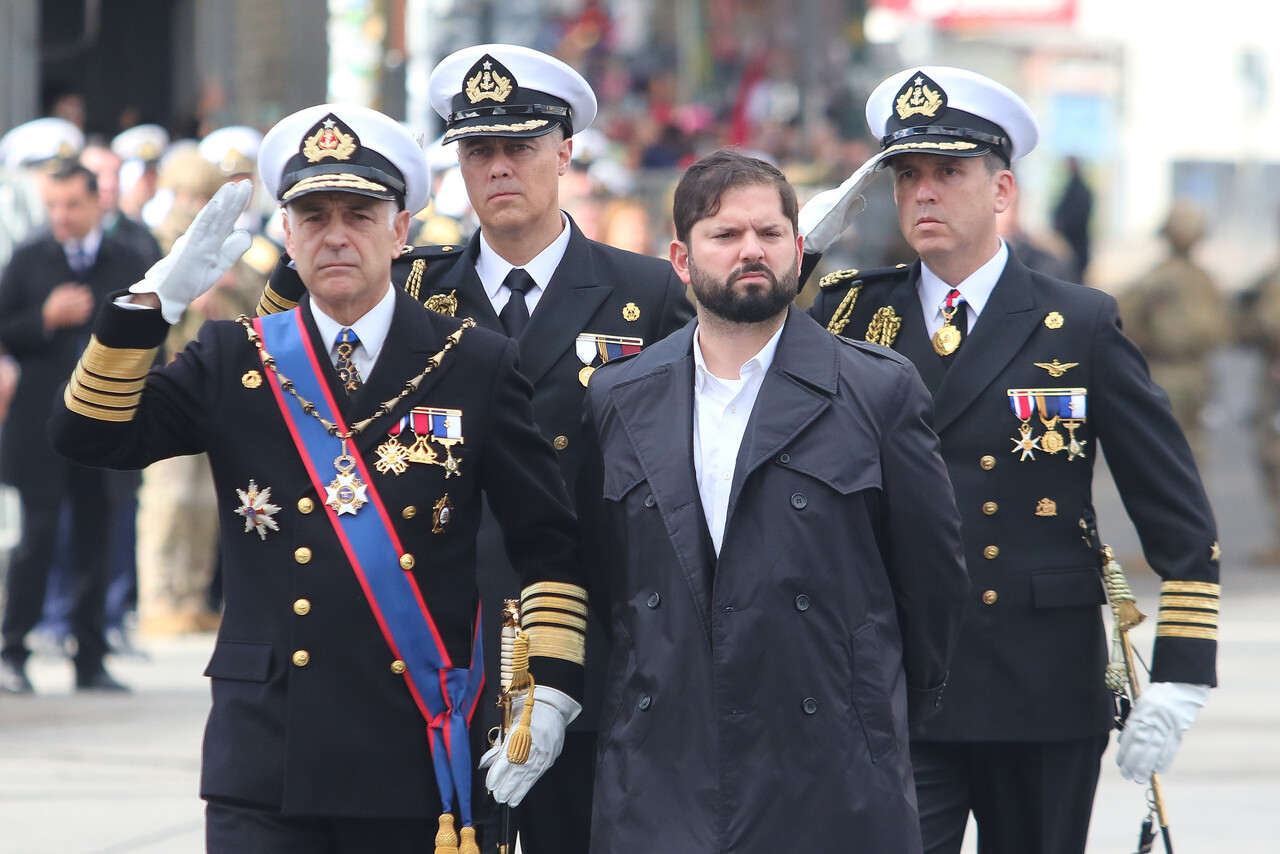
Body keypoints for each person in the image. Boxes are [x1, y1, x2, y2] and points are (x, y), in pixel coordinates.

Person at [49, 103, 587, 853]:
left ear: (401, 231)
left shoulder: (474, 362)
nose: (337, 235)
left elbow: (547, 544)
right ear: (288, 238)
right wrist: (151, 305)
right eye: (313, 214)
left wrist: (551, 689)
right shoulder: (232, 357)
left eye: (360, 214)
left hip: (416, 746)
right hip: (269, 749)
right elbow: (88, 436)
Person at [264, 44, 694, 854]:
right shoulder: (412, 291)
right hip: (435, 634)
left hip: (594, 630)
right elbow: (304, 385)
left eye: (518, 147)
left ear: (564, 153)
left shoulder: (648, 294)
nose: (497, 168)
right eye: (477, 150)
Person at [804, 67, 1220, 854]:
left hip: (1039, 684)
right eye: (907, 176)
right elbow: (734, 371)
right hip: (896, 682)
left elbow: (1176, 511)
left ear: (1001, 193)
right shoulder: (851, 312)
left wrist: (1182, 672)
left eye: (948, 174)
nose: (923, 193)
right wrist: (796, 257)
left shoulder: (1077, 322)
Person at [577, 149, 968, 852]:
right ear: (680, 258)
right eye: (725, 236)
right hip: (662, 769)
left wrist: (872, 711)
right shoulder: (619, 396)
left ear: (797, 247)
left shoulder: (877, 389)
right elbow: (610, 581)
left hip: (831, 772)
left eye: (771, 233)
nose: (751, 251)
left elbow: (932, 582)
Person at [0, 163, 150, 694]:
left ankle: (89, 656)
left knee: (96, 535)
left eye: (71, 205)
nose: (61, 216)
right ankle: (13, 650)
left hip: (104, 423)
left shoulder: (129, 260)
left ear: (95, 205)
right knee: (36, 539)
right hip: (40, 426)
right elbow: (6, 331)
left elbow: (152, 334)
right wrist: (45, 316)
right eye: (53, 206)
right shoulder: (28, 258)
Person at [1117, 200, 1228, 466]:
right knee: (1192, 446)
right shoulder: (1206, 280)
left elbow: (1121, 321)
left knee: (1162, 450)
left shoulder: (1154, 280)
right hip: (1198, 372)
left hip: (1165, 372)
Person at [1053, 155, 1093, 283]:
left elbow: (1078, 216)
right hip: (1070, 242)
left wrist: (1063, 225)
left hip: (1077, 242)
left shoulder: (1081, 190)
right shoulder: (1072, 188)